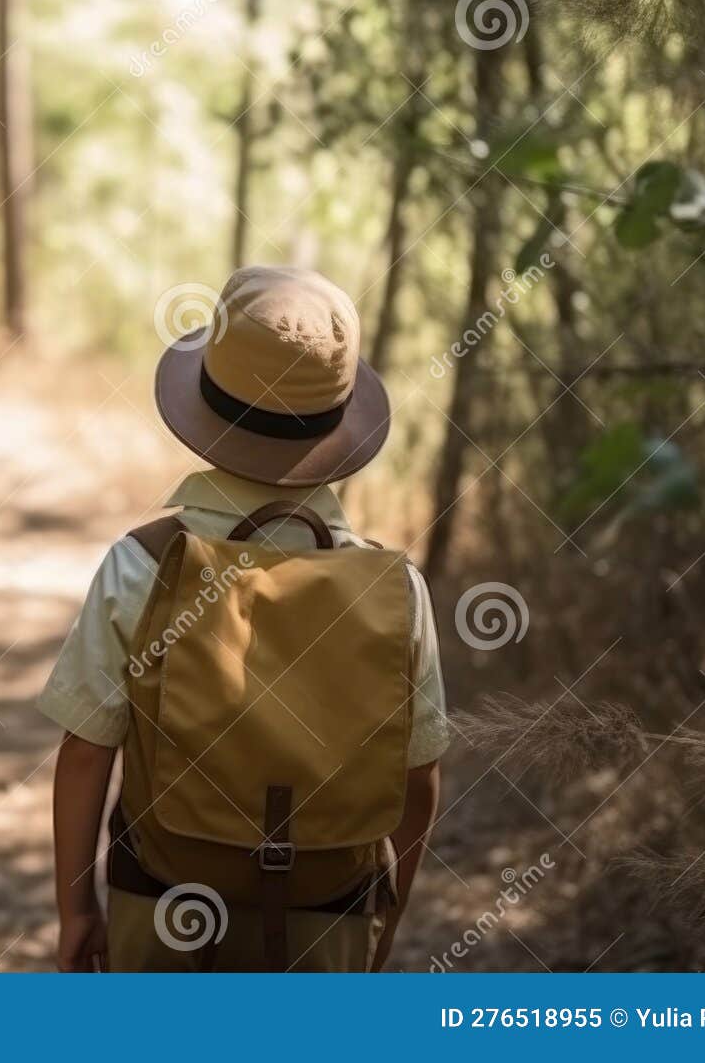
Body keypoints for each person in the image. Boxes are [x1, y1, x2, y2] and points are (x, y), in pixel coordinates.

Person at [42, 266, 448, 972]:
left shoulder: (144, 564)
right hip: (329, 913)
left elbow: (85, 751)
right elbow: (418, 779)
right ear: (339, 423)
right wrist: (385, 917)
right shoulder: (397, 590)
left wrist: (76, 907)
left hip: (163, 901)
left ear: (208, 408)